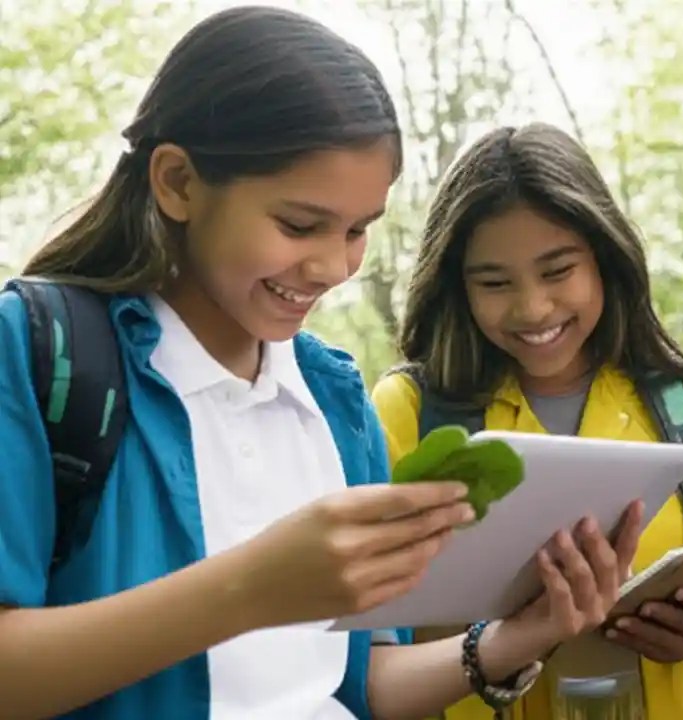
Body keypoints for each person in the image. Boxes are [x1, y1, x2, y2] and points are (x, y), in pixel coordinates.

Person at [0, 8, 640, 719]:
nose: (333, 265)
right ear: (177, 182)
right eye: (299, 225)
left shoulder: (333, 398)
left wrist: (523, 635)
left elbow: (361, 681)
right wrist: (251, 588)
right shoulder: (40, 356)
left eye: (359, 229)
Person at [370, 123, 683, 720]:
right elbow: (375, 639)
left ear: (604, 258)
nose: (533, 308)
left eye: (557, 271)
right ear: (456, 285)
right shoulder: (410, 416)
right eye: (494, 283)